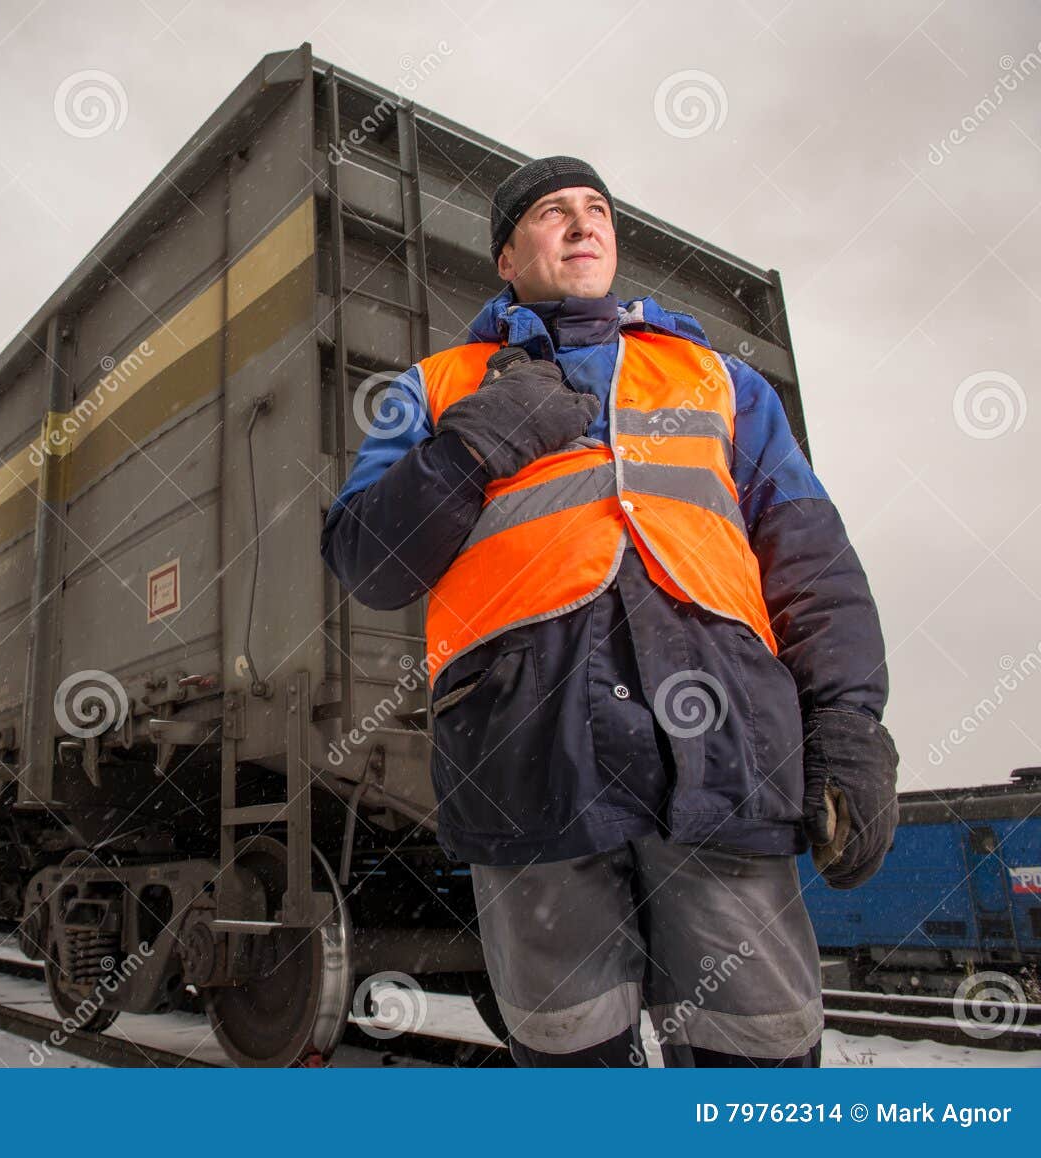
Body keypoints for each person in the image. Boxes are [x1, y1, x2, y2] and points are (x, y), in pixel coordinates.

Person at [320, 156, 899, 1067]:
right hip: (531, 753)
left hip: (724, 754)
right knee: (569, 1057)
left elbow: (811, 560)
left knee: (762, 1051)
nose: (583, 223)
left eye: (597, 209)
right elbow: (366, 561)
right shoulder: (438, 387)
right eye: (553, 212)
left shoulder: (717, 382)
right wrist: (479, 438)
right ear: (507, 258)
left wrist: (849, 720)